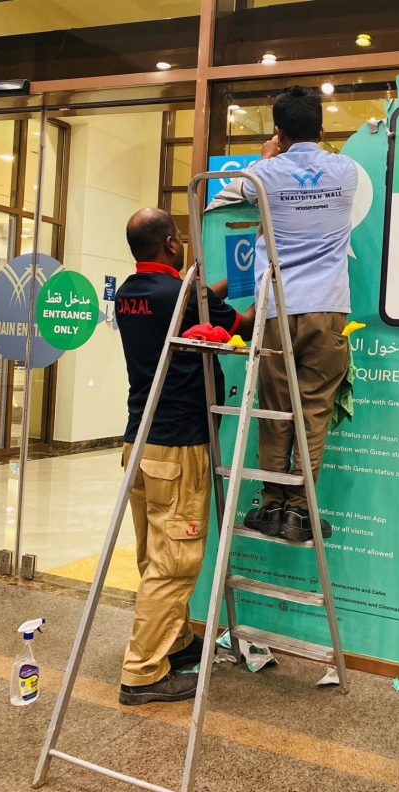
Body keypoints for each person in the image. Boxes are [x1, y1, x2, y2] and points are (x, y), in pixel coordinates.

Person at [115, 208, 253, 705]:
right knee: (174, 563)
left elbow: (189, 306)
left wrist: (220, 285)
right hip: (178, 447)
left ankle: (173, 641)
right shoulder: (181, 296)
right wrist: (265, 283)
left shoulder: (130, 294)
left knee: (155, 554)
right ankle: (142, 673)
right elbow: (242, 324)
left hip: (139, 443)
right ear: (172, 244)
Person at [225, 86, 357, 542]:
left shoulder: (262, 174)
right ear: (321, 129)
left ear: (278, 133)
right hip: (328, 307)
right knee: (313, 410)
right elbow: (324, 161)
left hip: (277, 308)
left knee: (276, 409)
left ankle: (272, 505)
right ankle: (300, 512)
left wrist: (267, 157)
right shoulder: (346, 171)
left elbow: (239, 189)